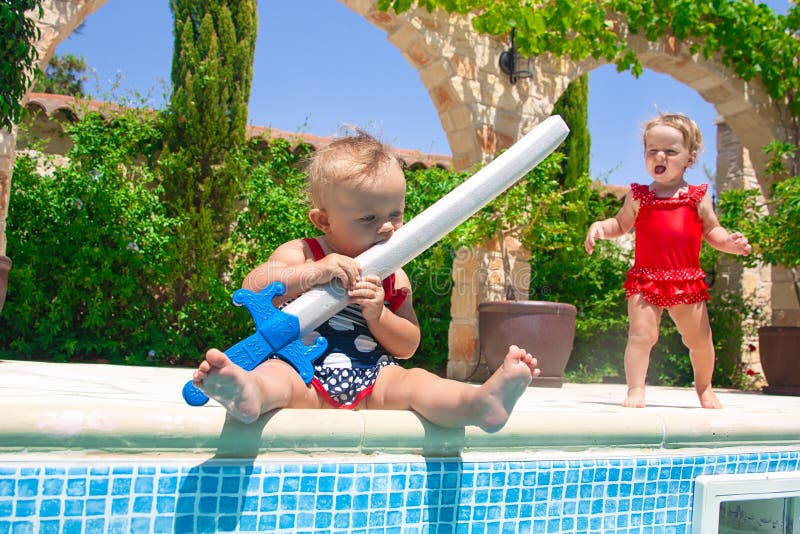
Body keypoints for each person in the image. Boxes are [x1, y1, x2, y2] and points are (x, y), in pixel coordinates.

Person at [193, 130, 540, 432]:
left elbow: (408, 345)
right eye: (369, 218)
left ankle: (478, 404)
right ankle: (247, 394)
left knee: (416, 382)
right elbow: (253, 284)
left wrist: (379, 315)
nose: (387, 227)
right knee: (274, 376)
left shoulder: (394, 275)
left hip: (373, 376)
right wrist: (313, 273)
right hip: (302, 371)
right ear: (324, 221)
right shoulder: (305, 253)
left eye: (395, 214)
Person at [584, 113, 751, 409]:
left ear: (690, 157)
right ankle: (636, 390)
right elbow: (620, 225)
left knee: (699, 341)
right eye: (652, 150)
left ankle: (704, 388)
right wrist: (600, 226)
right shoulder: (639, 196)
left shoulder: (697, 197)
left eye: (671, 151)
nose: (659, 156)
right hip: (645, 278)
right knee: (641, 336)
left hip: (685, 279)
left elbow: (712, 230)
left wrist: (731, 244)